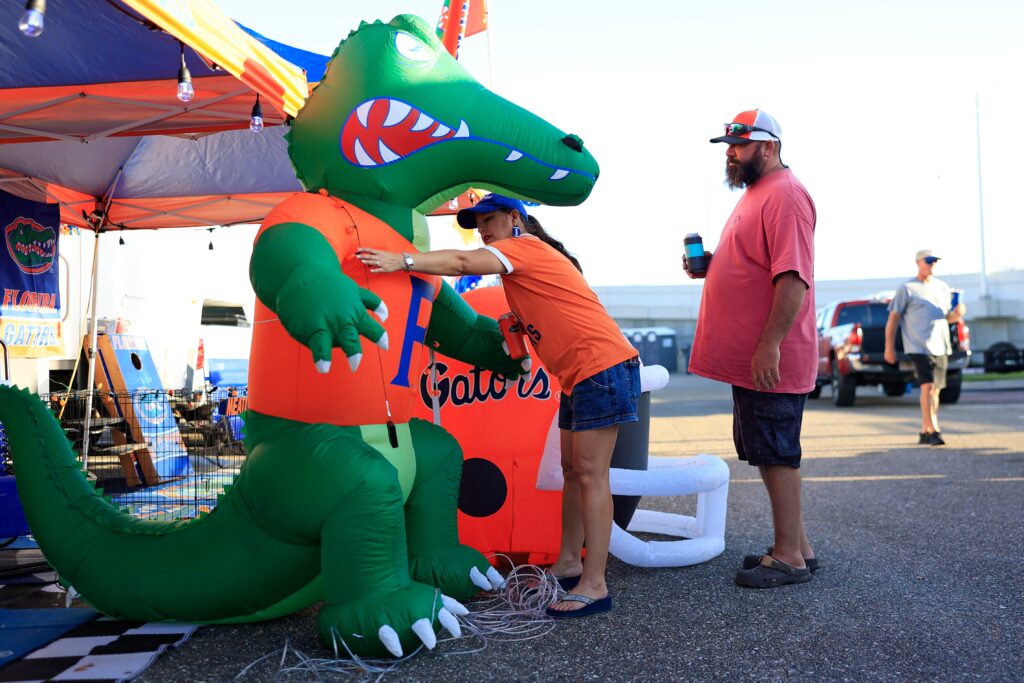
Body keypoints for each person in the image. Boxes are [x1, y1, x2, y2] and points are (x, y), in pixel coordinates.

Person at [356, 193, 640, 617]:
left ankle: (595, 585)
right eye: (476, 223)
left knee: (589, 474)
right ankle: (567, 562)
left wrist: (404, 261)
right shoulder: (522, 268)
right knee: (570, 471)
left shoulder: (522, 248)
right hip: (579, 376)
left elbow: (463, 264)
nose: (482, 228)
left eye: (489, 219)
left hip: (602, 368)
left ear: (514, 219)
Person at [685, 109, 819, 588]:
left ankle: (788, 559)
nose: (730, 153)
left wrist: (770, 346)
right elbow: (758, 263)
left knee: (778, 452)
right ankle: (799, 546)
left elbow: (792, 278)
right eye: (727, 146)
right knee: (767, 449)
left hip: (771, 358)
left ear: (769, 147)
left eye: (739, 146)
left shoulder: (785, 195)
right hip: (755, 358)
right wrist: (716, 267)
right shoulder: (758, 194)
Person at [883, 250, 966, 446]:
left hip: (940, 345)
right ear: (918, 262)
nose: (932, 265)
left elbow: (948, 317)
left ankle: (924, 430)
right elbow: (893, 318)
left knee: (935, 390)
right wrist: (889, 347)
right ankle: (934, 430)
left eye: (935, 261)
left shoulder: (943, 287)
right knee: (927, 387)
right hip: (918, 345)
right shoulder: (907, 288)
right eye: (929, 261)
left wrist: (958, 314)